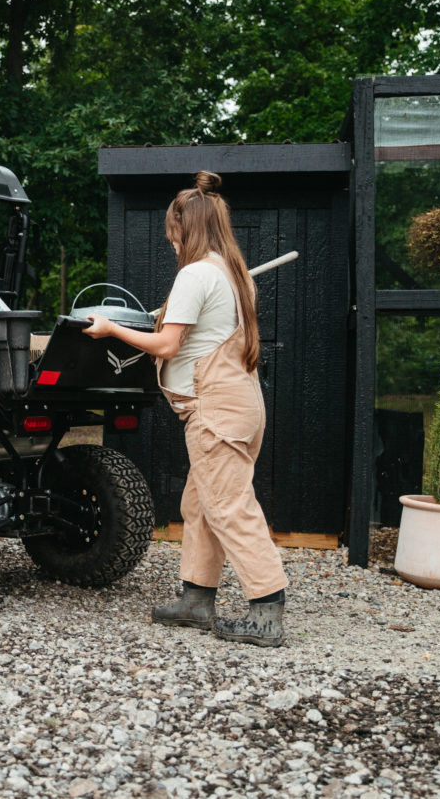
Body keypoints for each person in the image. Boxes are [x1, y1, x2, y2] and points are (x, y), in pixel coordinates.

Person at [82, 171, 289, 647]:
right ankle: (197, 599)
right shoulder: (231, 273)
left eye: (173, 235)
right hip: (238, 403)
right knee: (201, 504)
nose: (172, 244)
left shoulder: (196, 274)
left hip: (214, 409)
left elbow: (167, 345)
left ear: (185, 228)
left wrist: (111, 328)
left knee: (229, 506)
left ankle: (268, 610)